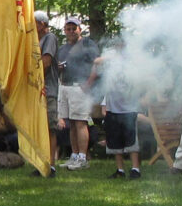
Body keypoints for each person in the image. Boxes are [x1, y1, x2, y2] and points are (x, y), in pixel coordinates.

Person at [92, 49, 142, 179]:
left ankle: (135, 169)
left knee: (132, 142)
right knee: (115, 143)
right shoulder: (110, 70)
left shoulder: (132, 71)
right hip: (112, 110)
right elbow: (97, 62)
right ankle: (120, 171)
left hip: (129, 110)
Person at [57, 17, 99, 170]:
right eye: (68, 29)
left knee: (81, 122)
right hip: (65, 86)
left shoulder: (87, 44)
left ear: (80, 29)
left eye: (74, 28)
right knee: (71, 124)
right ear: (65, 31)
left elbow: (98, 63)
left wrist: (88, 83)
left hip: (79, 87)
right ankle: (74, 155)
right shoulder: (62, 49)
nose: (71, 31)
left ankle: (83, 157)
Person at [34, 11, 60, 177]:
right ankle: (40, 163)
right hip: (37, 90)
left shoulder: (49, 38)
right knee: (39, 128)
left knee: (50, 129)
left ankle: (51, 165)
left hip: (48, 90)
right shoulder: (36, 39)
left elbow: (46, 62)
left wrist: (29, 72)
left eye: (34, 22)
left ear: (42, 24)